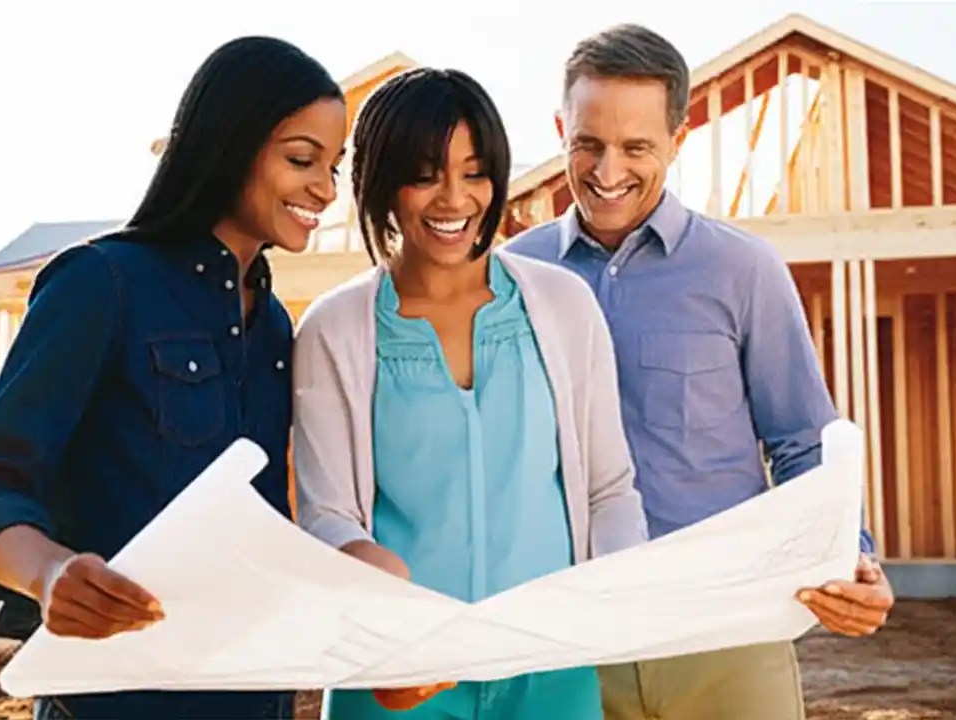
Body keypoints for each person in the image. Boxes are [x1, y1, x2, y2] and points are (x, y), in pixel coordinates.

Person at [0, 36, 348, 720]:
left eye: (335, 166)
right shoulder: (101, 285)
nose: (325, 190)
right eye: (303, 159)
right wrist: (49, 574)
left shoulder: (278, 329)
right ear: (229, 143)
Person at [505, 24, 896, 720]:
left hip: (727, 634)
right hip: (570, 640)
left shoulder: (742, 271)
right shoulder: (511, 277)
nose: (607, 170)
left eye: (637, 148)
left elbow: (803, 439)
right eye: (588, 144)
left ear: (677, 141)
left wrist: (851, 557)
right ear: (561, 128)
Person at [290, 66, 648, 719]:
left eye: (475, 172)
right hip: (399, 680)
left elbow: (607, 488)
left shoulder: (564, 306)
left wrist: (615, 600)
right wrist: (373, 594)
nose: (454, 198)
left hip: (550, 670)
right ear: (380, 186)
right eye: (424, 175)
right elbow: (326, 515)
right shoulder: (333, 329)